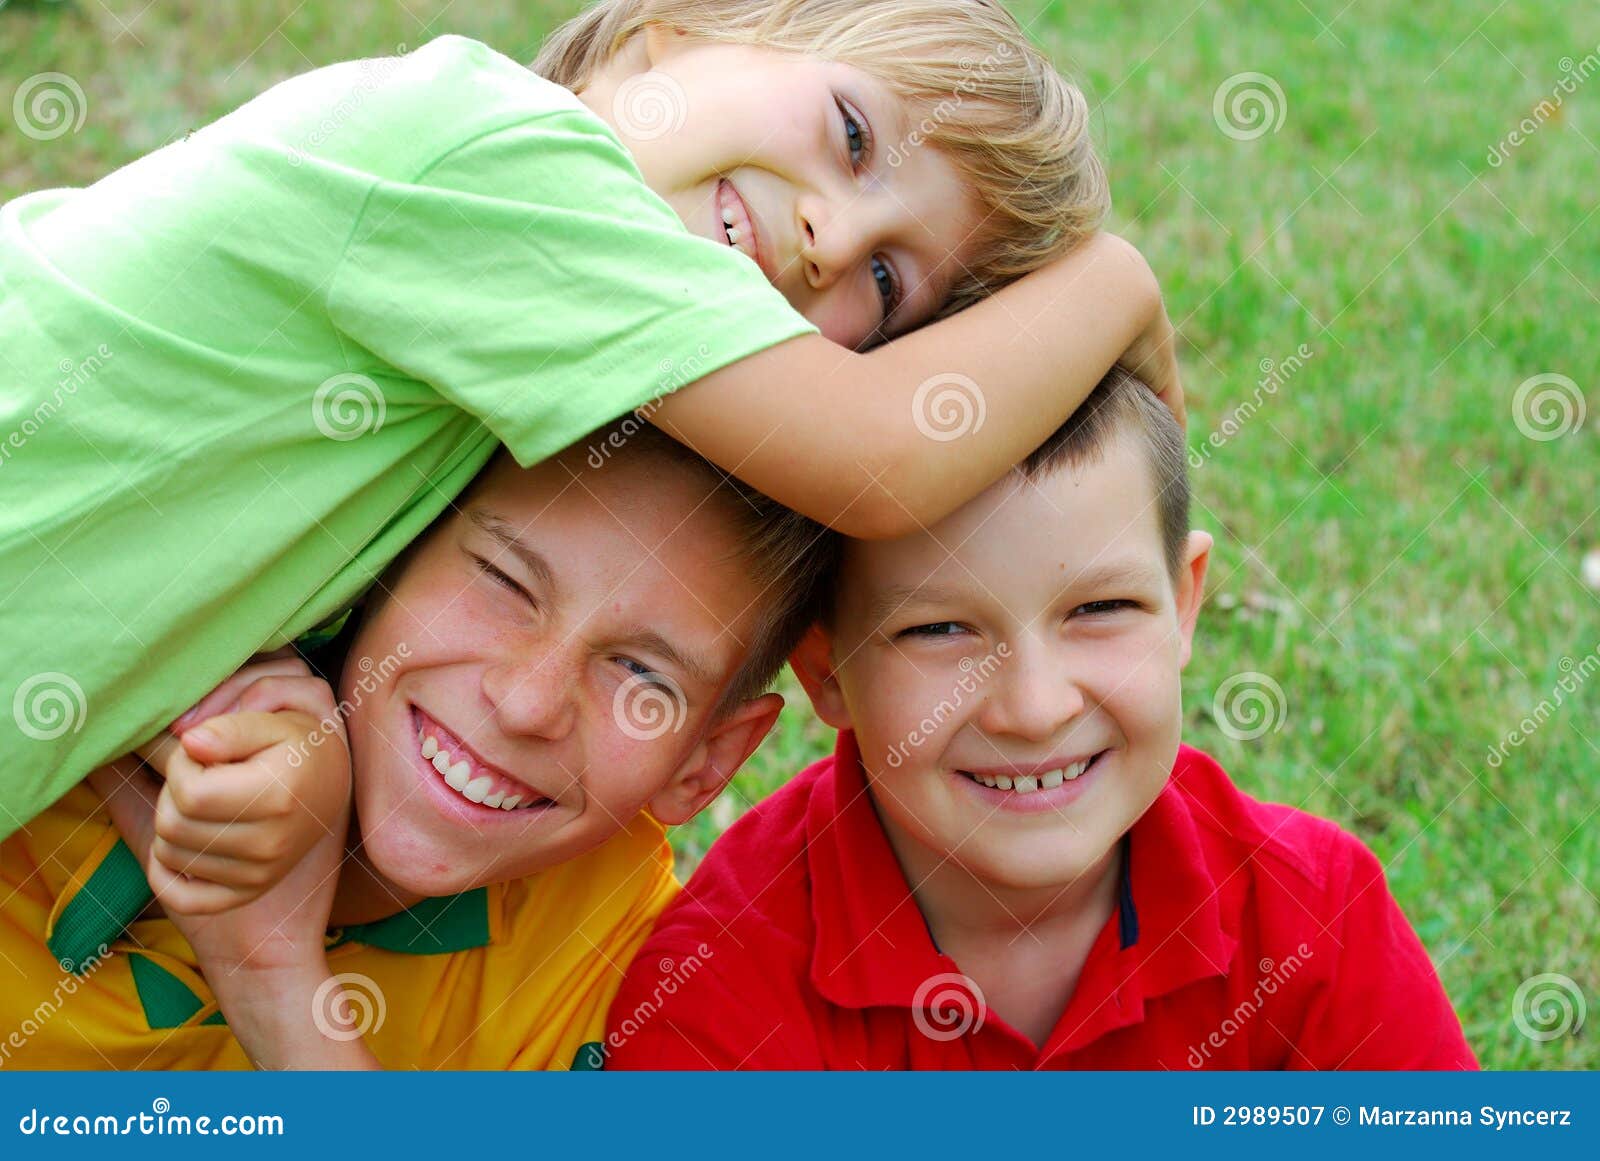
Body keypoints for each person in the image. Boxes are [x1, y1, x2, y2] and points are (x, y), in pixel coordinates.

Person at [1, 0, 1178, 840]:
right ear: (680, 25)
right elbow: (877, 455)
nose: (829, 237)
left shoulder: (515, 353)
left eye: (883, 286)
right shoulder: (501, 156)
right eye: (852, 137)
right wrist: (1118, 287)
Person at [602, 370, 1478, 1070]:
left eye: (1100, 608)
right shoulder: (719, 994)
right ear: (827, 668)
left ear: (1184, 603)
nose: (1033, 707)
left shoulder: (1312, 918)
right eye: (939, 628)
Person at [0, 423, 838, 1069]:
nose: (526, 702)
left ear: (708, 762)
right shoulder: (74, 674)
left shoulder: (610, 965)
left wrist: (272, 974)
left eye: (640, 673)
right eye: (507, 581)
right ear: (386, 553)